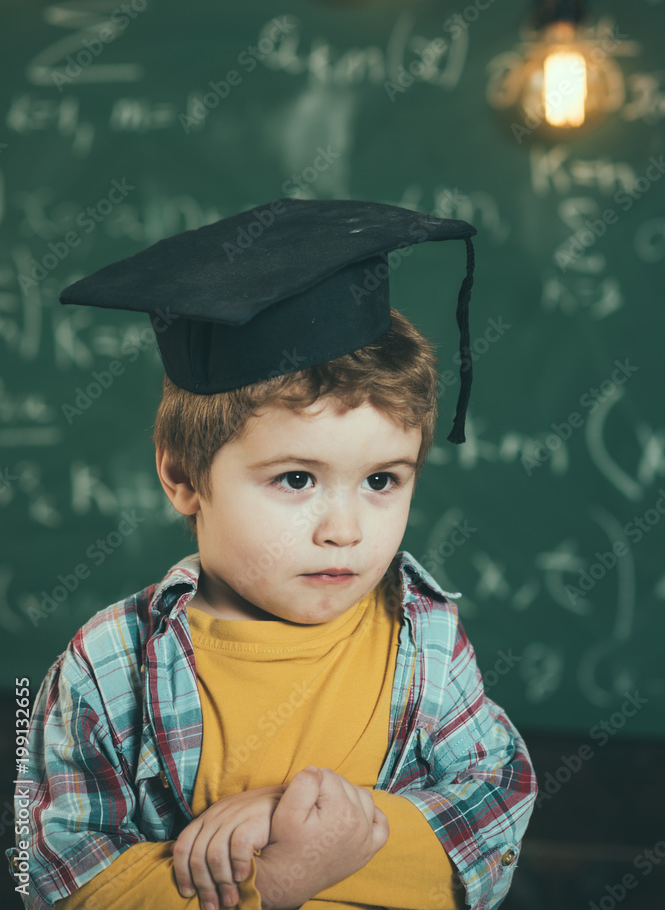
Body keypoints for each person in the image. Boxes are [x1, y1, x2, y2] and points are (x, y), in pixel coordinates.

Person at [6, 198, 537, 910]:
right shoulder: (107, 667)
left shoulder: (427, 641)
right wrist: (284, 874)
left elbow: (495, 812)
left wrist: (304, 819)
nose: (344, 530)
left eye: (381, 481)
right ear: (183, 476)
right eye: (295, 480)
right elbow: (56, 879)